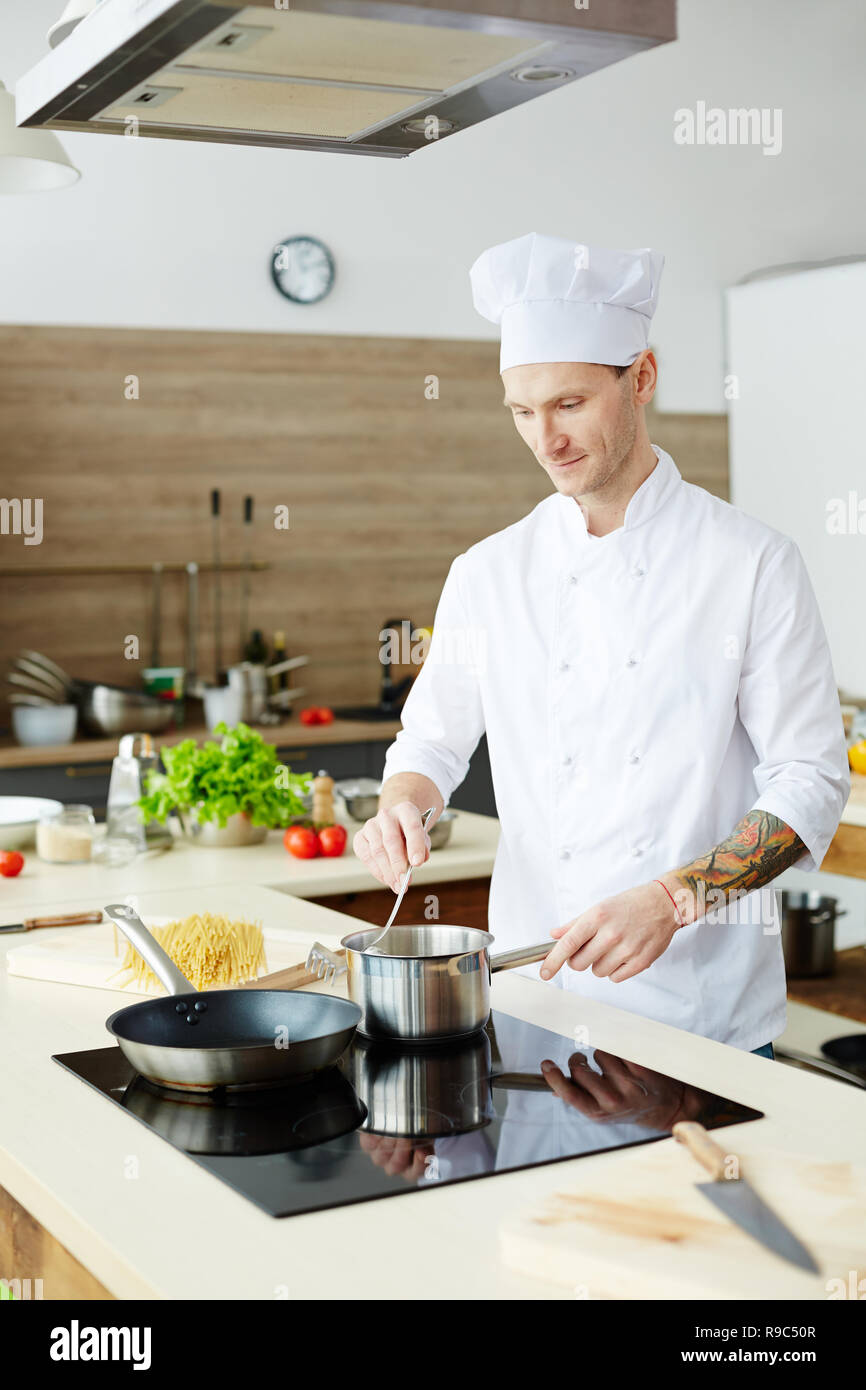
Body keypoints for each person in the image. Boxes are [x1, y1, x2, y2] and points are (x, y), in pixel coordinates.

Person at [353, 232, 850, 1055]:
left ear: (642, 377)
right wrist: (401, 805)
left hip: (702, 1021)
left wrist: (673, 898)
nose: (545, 440)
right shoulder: (488, 572)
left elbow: (809, 784)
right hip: (530, 1001)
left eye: (570, 404)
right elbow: (432, 741)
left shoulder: (752, 563)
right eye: (522, 411)